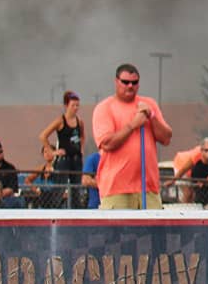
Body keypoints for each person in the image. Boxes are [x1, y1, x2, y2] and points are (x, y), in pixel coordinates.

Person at [91, 63, 172, 208]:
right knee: (118, 231)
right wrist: (133, 125)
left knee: (152, 230)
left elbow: (166, 138)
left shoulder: (149, 104)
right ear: (116, 82)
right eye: (125, 82)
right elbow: (107, 143)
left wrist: (151, 116)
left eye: (134, 83)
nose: (130, 86)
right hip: (117, 190)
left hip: (148, 189)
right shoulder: (104, 108)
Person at [38, 90, 87, 207]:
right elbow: (43, 136)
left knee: (76, 188)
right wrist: (52, 152)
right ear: (66, 106)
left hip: (76, 159)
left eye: (77, 105)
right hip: (64, 159)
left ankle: (76, 212)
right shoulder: (60, 121)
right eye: (73, 105)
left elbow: (82, 136)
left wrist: (81, 150)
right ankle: (55, 210)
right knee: (59, 188)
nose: (75, 108)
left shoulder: (79, 122)